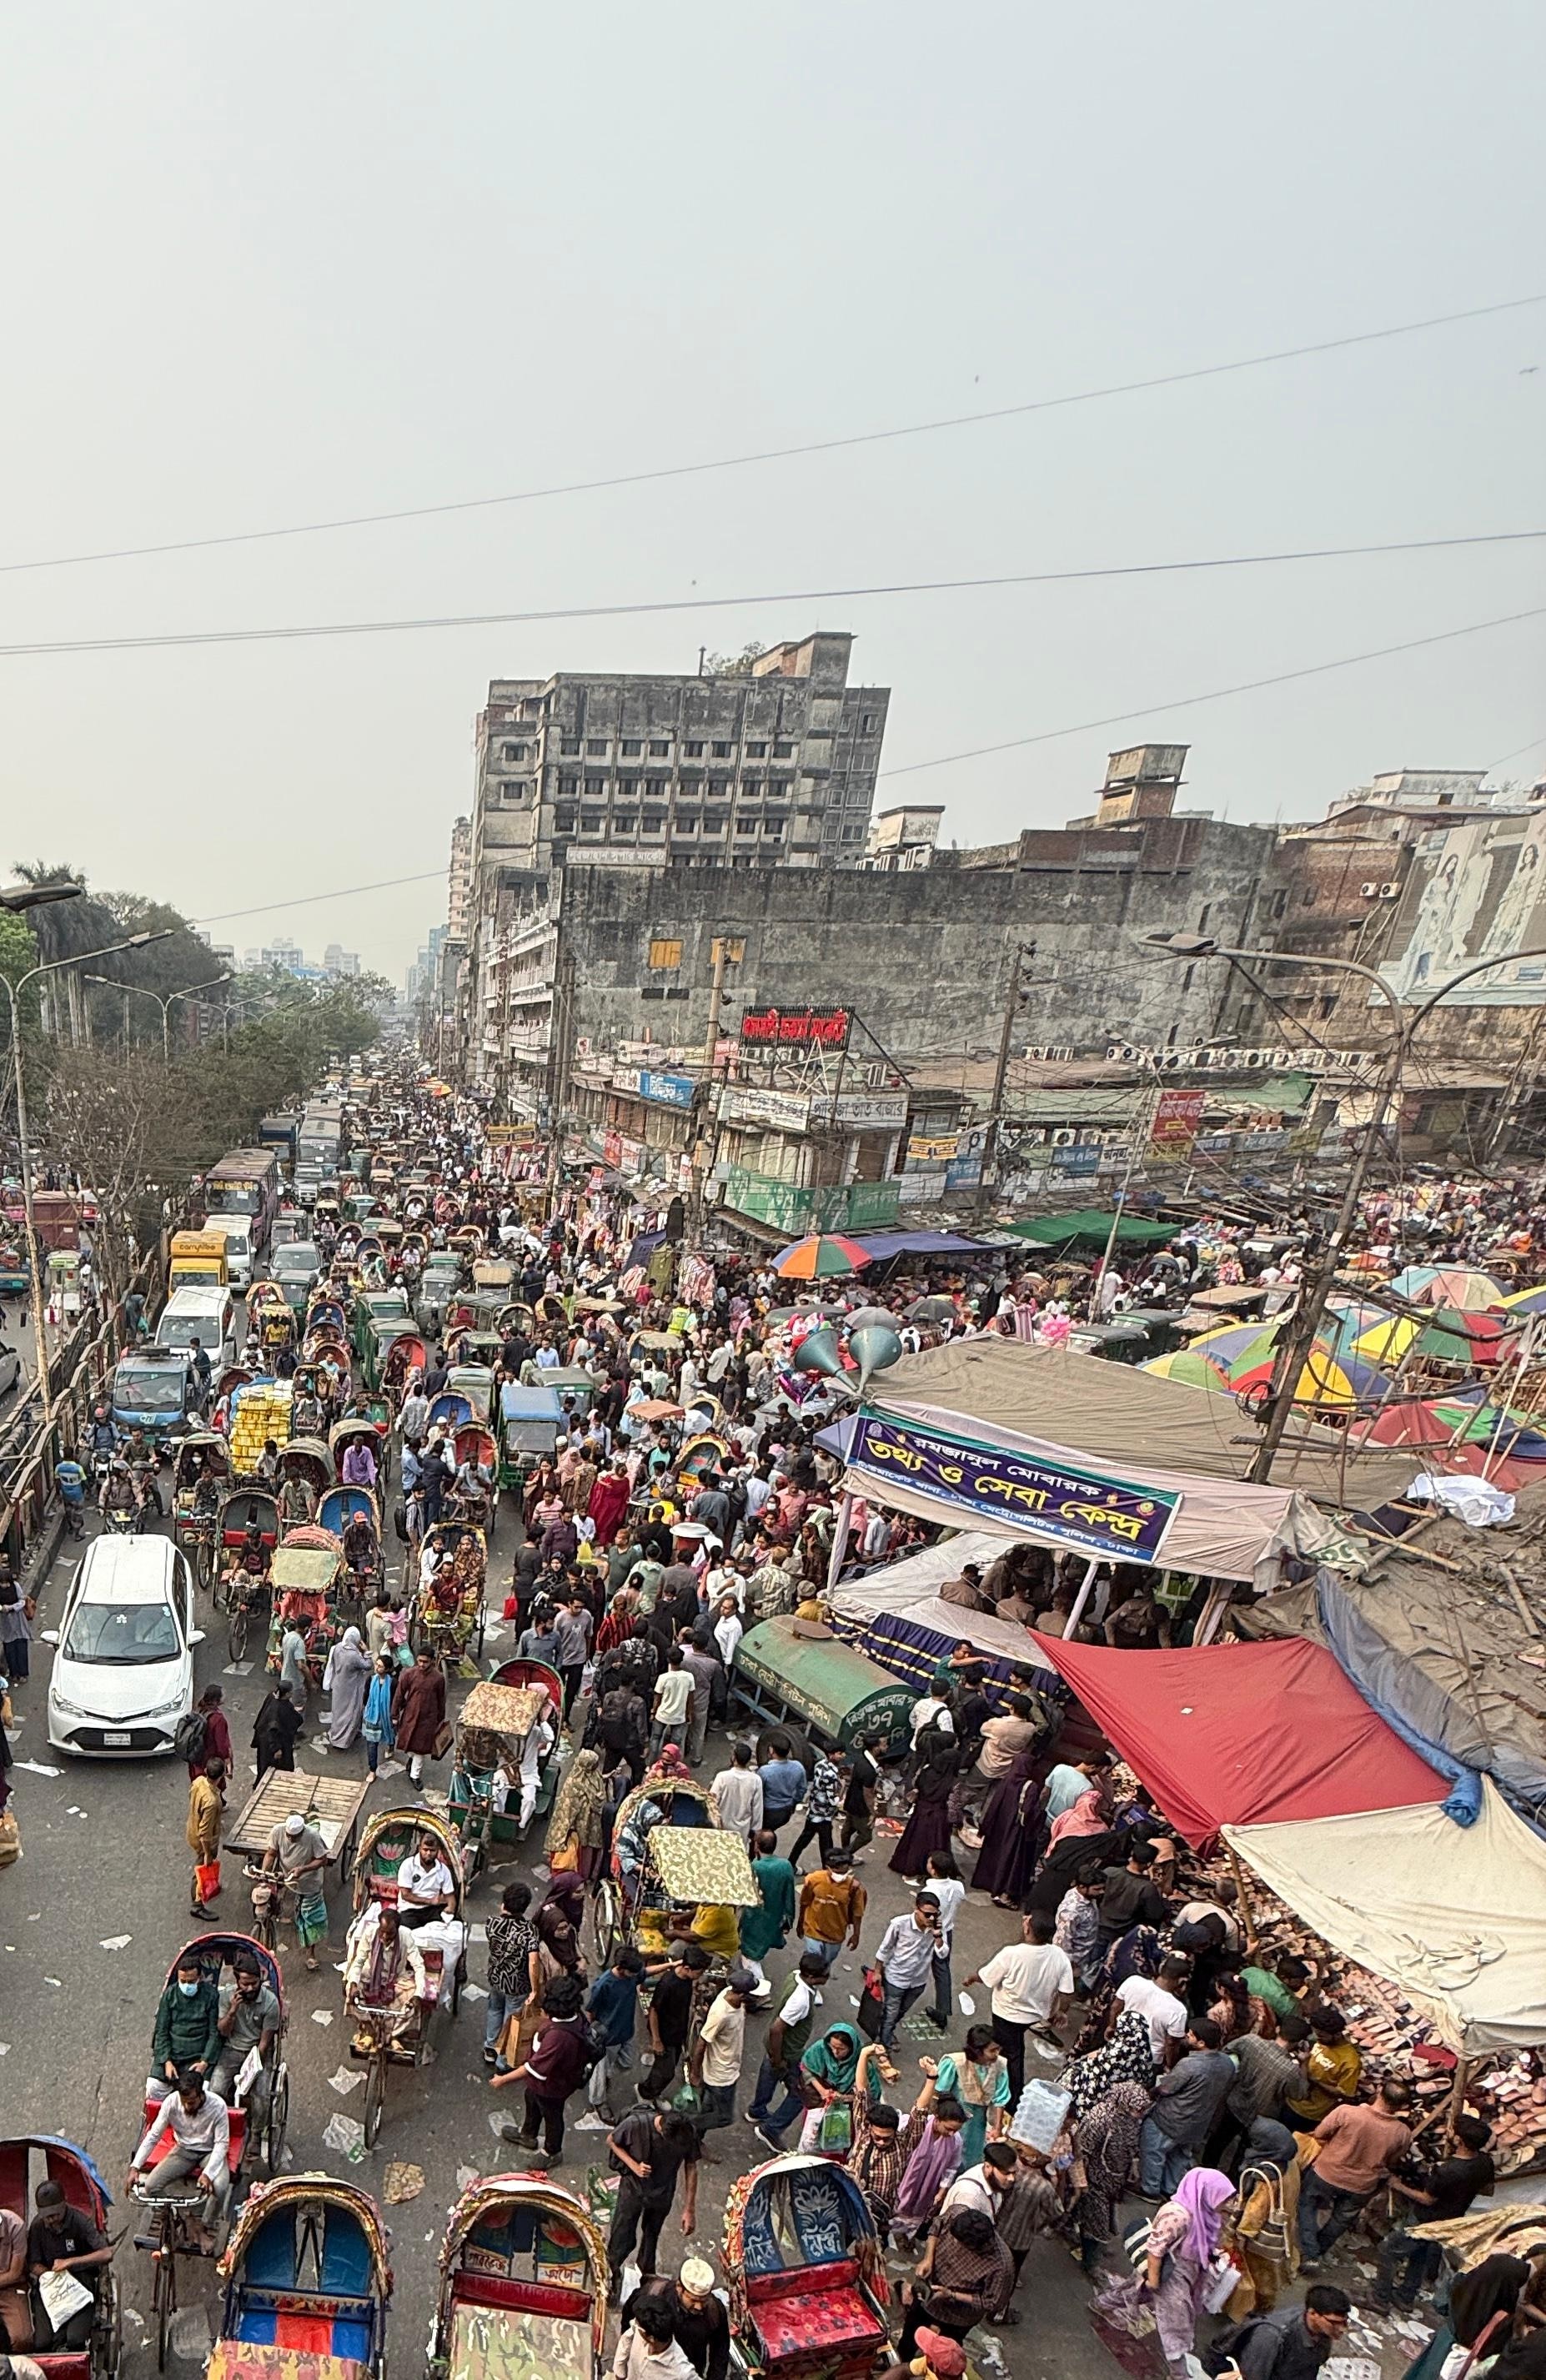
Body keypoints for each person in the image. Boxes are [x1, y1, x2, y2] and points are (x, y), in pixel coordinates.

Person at [1091, 2166, 1235, 2379]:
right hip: (1170, 2275)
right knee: (1176, 2324)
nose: (1231, 2204)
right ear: (1206, 2194)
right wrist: (1155, 2280)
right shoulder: (1179, 2216)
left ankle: (1102, 2303)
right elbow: (1156, 2249)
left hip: (1185, 2271)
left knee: (1137, 2292)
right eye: (1226, 2198)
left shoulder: (1207, 2215)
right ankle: (1179, 2374)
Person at [1374, 2113, 1494, 2310]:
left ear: (1460, 2141)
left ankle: (1380, 2298)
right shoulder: (1484, 2163)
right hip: (1450, 2220)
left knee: (1388, 2250)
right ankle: (1406, 2296)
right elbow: (1487, 2190)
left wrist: (1398, 2186)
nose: (1449, 2132)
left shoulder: (1447, 2171)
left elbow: (1427, 2199)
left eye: (1453, 2132)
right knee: (1419, 2256)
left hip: (1425, 2219)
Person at [1298, 2076, 1413, 2267]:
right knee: (1340, 2220)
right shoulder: (1403, 2133)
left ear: (1379, 2091)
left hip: (1328, 2172)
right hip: (1362, 2185)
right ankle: (1317, 2250)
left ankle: (1310, 2251)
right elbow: (1392, 2161)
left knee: (1307, 2204)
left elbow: (1319, 2134)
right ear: (1402, 2106)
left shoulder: (1347, 2113)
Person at [964, 1911, 1072, 2103]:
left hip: (1007, 2014)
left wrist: (971, 1978)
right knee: (1014, 2049)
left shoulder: (1011, 1954)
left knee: (1011, 2056)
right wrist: (1060, 2011)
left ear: (1028, 1929)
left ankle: (1011, 2101)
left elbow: (987, 1977)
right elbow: (1067, 1991)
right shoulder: (1059, 1956)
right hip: (1036, 2015)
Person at [492, 1972, 593, 2166]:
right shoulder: (574, 2017)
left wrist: (502, 2080)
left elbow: (532, 2068)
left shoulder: (558, 2038)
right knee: (531, 2099)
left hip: (553, 2086)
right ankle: (528, 2134)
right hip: (541, 2085)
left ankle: (552, 2152)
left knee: (552, 2116)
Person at [126, 2073, 232, 2252]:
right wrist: (135, 2166)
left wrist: (208, 2174)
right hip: (183, 2150)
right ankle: (183, 2217)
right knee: (151, 2186)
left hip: (210, 2151)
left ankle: (205, 2224)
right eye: (184, 2102)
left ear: (201, 2095)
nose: (186, 2106)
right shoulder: (172, 2102)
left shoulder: (217, 2105)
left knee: (220, 2185)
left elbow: (222, 2143)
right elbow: (153, 2135)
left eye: (191, 2102)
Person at [605, 2111, 701, 2297]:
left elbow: (691, 2166)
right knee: (622, 2235)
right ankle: (611, 2274)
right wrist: (633, 2165)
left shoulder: (687, 2132)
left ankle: (647, 2275)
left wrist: (689, 2209)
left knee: (652, 2235)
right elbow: (611, 2140)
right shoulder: (635, 2124)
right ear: (661, 2130)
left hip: (662, 2192)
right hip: (632, 2190)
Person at [1138, 2016, 1236, 2199]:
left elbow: (1167, 2088)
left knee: (1153, 2152)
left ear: (1201, 2042)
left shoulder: (1191, 2065)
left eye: (1190, 2035)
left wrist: (1152, 2091)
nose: (1186, 2036)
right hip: (1198, 2124)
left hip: (1170, 2119)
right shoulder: (1227, 2064)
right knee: (1179, 2157)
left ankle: (1149, 2190)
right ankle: (1170, 2189)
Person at [900, 2209, 1014, 2356]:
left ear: (973, 2248)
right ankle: (904, 2362)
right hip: (926, 2298)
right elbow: (936, 2225)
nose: (951, 2241)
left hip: (958, 2317)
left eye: (957, 2242)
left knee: (944, 2353)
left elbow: (993, 2302)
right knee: (910, 2336)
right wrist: (928, 2258)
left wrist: (952, 2295)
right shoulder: (957, 2215)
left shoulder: (1002, 2266)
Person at [750, 1953, 831, 2149]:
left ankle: (757, 2110)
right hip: (788, 2053)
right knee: (803, 2093)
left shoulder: (795, 1976)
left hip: (776, 2048)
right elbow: (776, 2029)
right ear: (811, 1977)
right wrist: (779, 2060)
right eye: (824, 1975)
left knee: (769, 2076)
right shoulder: (801, 1999)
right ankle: (771, 2130)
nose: (827, 1977)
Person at [25, 2177, 112, 2354]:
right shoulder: (37, 2226)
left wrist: (71, 2262)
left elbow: (106, 2253)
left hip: (79, 2281)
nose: (51, 2220)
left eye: (55, 2214)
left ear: (64, 2204)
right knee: (42, 2343)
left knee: (75, 2340)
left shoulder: (79, 2221)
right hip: (52, 2286)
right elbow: (33, 2263)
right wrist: (47, 2274)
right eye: (47, 2216)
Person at [621, 2262, 728, 2380]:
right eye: (693, 2300)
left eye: (704, 2300)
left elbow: (720, 2353)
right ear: (679, 2288)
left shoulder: (715, 2312)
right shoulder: (654, 2294)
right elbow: (629, 2319)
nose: (699, 2307)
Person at [210, 1954, 280, 2120]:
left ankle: (256, 2134)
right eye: (245, 1984)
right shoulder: (227, 1997)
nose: (250, 1988)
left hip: (257, 2053)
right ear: (237, 1982)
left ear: (260, 1980)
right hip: (232, 2050)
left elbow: (265, 2042)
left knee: (261, 2096)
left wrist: (252, 2066)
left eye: (254, 1983)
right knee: (215, 2090)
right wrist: (232, 2012)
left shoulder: (270, 2003)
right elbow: (223, 2031)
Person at [259, 1809, 331, 1972]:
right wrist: (264, 1873)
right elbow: (271, 1854)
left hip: (310, 1883)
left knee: (310, 1917)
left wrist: (303, 1869)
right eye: (289, 1836)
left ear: (302, 1832)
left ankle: (311, 1955)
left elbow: (322, 1859)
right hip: (287, 1878)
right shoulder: (278, 1831)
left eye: (294, 1837)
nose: (290, 1839)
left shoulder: (312, 1836)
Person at [689, 1966, 755, 2141]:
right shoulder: (722, 2015)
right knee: (724, 2117)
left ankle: (695, 2140)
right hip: (722, 2075)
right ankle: (688, 2126)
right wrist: (694, 2074)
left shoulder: (731, 1994)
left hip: (726, 2068)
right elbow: (702, 2043)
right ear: (742, 1994)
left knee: (708, 2109)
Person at [1232, 2284, 1353, 2378]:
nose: (1342, 2329)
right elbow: (1252, 2375)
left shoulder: (1322, 2329)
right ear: (1313, 2314)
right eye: (1334, 2323)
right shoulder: (1271, 2336)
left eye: (1344, 2322)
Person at [484, 1881, 543, 2071]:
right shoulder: (529, 1931)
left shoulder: (492, 1922)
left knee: (494, 2010)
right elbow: (533, 1961)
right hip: (517, 1984)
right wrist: (535, 1989)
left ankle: (490, 2047)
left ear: (504, 1903)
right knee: (510, 2019)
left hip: (495, 1977)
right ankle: (503, 2060)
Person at [933, 2029, 1011, 2170]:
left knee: (972, 2155)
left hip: (979, 2120)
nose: (997, 2054)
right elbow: (940, 2092)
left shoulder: (1000, 2065)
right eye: (992, 2050)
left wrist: (997, 2126)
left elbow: (1001, 2096)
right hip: (954, 2115)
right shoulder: (955, 2063)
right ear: (978, 2051)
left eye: (998, 2049)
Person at [149, 1949, 221, 2096]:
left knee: (204, 2092)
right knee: (153, 2087)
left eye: (191, 1981)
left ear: (200, 1978)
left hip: (197, 2057)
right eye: (183, 1981)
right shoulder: (170, 1994)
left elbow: (214, 2033)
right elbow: (161, 2030)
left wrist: (204, 2062)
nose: (187, 1985)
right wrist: (166, 2061)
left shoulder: (211, 1996)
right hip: (171, 2055)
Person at [875, 1892, 943, 2046]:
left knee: (900, 2012)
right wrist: (878, 1971)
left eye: (935, 1914)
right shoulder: (900, 1924)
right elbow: (885, 1948)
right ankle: (884, 2047)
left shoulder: (935, 1928)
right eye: (927, 1914)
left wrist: (938, 1936)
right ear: (916, 1909)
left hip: (918, 1981)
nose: (931, 1919)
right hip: (896, 1979)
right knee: (891, 2014)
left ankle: (885, 2030)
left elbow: (943, 1953)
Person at [587, 1947, 646, 2121]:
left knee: (627, 2062)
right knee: (599, 2071)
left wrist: (671, 1965)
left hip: (626, 2030)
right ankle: (599, 2101)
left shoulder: (632, 1975)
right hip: (607, 2035)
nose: (635, 1975)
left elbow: (646, 1972)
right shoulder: (603, 1984)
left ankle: (606, 2076)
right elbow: (591, 2010)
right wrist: (592, 2034)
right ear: (621, 1968)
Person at [891, 1733, 957, 1879]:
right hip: (939, 1817)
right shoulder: (952, 1781)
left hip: (921, 1811)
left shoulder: (927, 1771)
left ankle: (910, 1865)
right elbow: (953, 1806)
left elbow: (917, 1784)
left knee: (915, 1840)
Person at [738, 1830, 796, 1996]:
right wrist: (789, 1919)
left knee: (750, 1954)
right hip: (775, 1916)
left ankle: (760, 1992)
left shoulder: (755, 1867)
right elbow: (789, 1895)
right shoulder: (785, 1866)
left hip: (754, 1917)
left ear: (756, 1846)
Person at [1282, 2006, 1362, 2126]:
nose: (1318, 2038)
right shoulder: (1321, 2041)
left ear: (1337, 2034)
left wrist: (1314, 2080)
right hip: (1292, 2098)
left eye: (1322, 2036)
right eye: (1317, 2034)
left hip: (1310, 2113)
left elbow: (1343, 2093)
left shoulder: (1350, 2061)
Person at [796, 1845, 866, 1973]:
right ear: (828, 1867)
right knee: (813, 1963)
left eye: (843, 1872)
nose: (840, 1875)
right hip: (813, 1929)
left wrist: (856, 1935)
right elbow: (805, 1902)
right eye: (837, 1871)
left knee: (825, 1964)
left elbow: (857, 1913)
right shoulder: (814, 1880)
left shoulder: (854, 1888)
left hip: (835, 1935)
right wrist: (800, 1923)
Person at [391, 1645, 446, 1786]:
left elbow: (441, 1699)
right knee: (410, 1745)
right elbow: (399, 1695)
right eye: (420, 1661)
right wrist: (395, 1715)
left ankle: (415, 1776)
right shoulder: (409, 1674)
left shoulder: (438, 1678)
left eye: (425, 1662)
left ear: (432, 1661)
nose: (422, 1664)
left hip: (428, 1720)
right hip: (411, 1715)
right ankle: (412, 1759)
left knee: (420, 1750)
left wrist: (440, 1719)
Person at [610, 2292, 697, 2380]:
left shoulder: (682, 2372)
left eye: (637, 2324)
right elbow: (627, 2338)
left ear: (651, 2338)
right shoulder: (641, 2328)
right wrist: (620, 2372)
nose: (634, 2323)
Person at [186, 1755, 226, 1919]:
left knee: (202, 1867)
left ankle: (208, 1887)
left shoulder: (198, 1782)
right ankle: (197, 1904)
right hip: (204, 1840)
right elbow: (205, 1832)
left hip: (191, 1830)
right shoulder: (212, 1801)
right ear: (221, 1776)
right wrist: (208, 1854)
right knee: (201, 1869)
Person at [323, 1625, 371, 1750]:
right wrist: (366, 1651)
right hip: (351, 1688)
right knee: (350, 1712)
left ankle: (336, 1736)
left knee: (338, 1712)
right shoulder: (353, 1655)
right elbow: (368, 1665)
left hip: (339, 1685)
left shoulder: (338, 1648)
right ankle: (344, 1739)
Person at [710, 1742, 762, 1839]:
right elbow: (757, 1808)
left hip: (722, 1826)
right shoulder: (756, 1780)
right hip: (742, 1830)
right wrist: (756, 1831)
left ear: (734, 1757)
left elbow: (712, 1802)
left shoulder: (722, 1777)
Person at [757, 1735, 806, 1837]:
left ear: (771, 1750)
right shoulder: (798, 1767)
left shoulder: (765, 1771)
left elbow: (757, 1793)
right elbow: (802, 1789)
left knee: (759, 1836)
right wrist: (794, 1803)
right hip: (786, 1811)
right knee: (770, 1833)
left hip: (768, 1811)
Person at [251, 1680, 303, 1779]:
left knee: (264, 1765)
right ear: (287, 1694)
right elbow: (273, 1729)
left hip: (265, 1741)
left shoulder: (272, 1698)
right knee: (276, 1769)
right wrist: (276, 1749)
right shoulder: (279, 1709)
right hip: (276, 1743)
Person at [841, 1733, 880, 1856]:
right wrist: (873, 1813)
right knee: (866, 1835)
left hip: (851, 1800)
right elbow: (867, 1794)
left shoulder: (861, 1758)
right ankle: (845, 1855)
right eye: (884, 1745)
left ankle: (844, 1853)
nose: (887, 1747)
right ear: (875, 1748)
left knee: (848, 1828)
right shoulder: (869, 1770)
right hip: (861, 1807)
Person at [650, 1652, 694, 1760]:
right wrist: (689, 1713)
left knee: (656, 1738)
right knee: (676, 1744)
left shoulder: (663, 1677)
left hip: (662, 1714)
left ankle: (652, 1763)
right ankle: (673, 1765)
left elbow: (657, 1698)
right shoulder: (689, 1677)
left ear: (668, 1661)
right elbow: (690, 1697)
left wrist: (653, 1711)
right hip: (679, 1716)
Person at [184, 1685, 232, 1778]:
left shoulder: (199, 1710)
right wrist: (227, 1761)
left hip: (197, 1757)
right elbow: (221, 1745)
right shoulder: (218, 1719)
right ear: (216, 1699)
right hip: (210, 1762)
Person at [362, 1653, 395, 1775]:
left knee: (390, 1734)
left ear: (387, 1669)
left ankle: (390, 1746)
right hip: (372, 1716)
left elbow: (397, 1702)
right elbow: (366, 1697)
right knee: (372, 1744)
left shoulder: (393, 1683)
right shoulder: (371, 1679)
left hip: (387, 1717)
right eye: (376, 1664)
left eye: (380, 1666)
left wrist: (394, 1715)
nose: (377, 1668)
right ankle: (372, 1769)